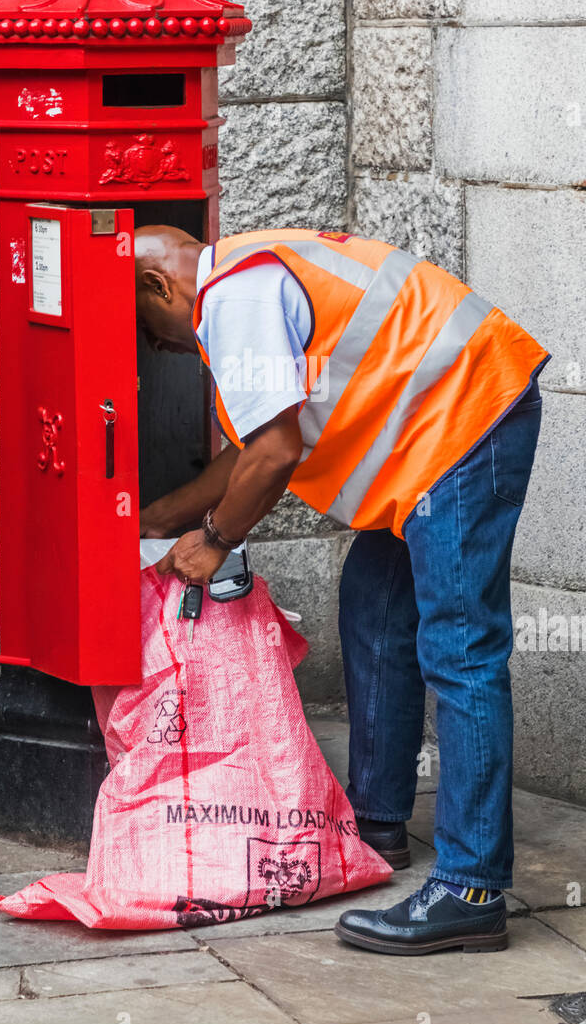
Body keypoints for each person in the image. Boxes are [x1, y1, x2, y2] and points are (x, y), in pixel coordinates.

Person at [135, 225, 548, 956]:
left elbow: (274, 453)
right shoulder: (245, 278)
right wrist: (161, 519)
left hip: (463, 417)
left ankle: (472, 889)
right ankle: (380, 823)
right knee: (376, 608)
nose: (169, 350)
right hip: (428, 434)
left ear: (162, 287)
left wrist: (215, 541)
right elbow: (250, 445)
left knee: (460, 648)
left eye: (154, 335)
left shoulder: (233, 298)